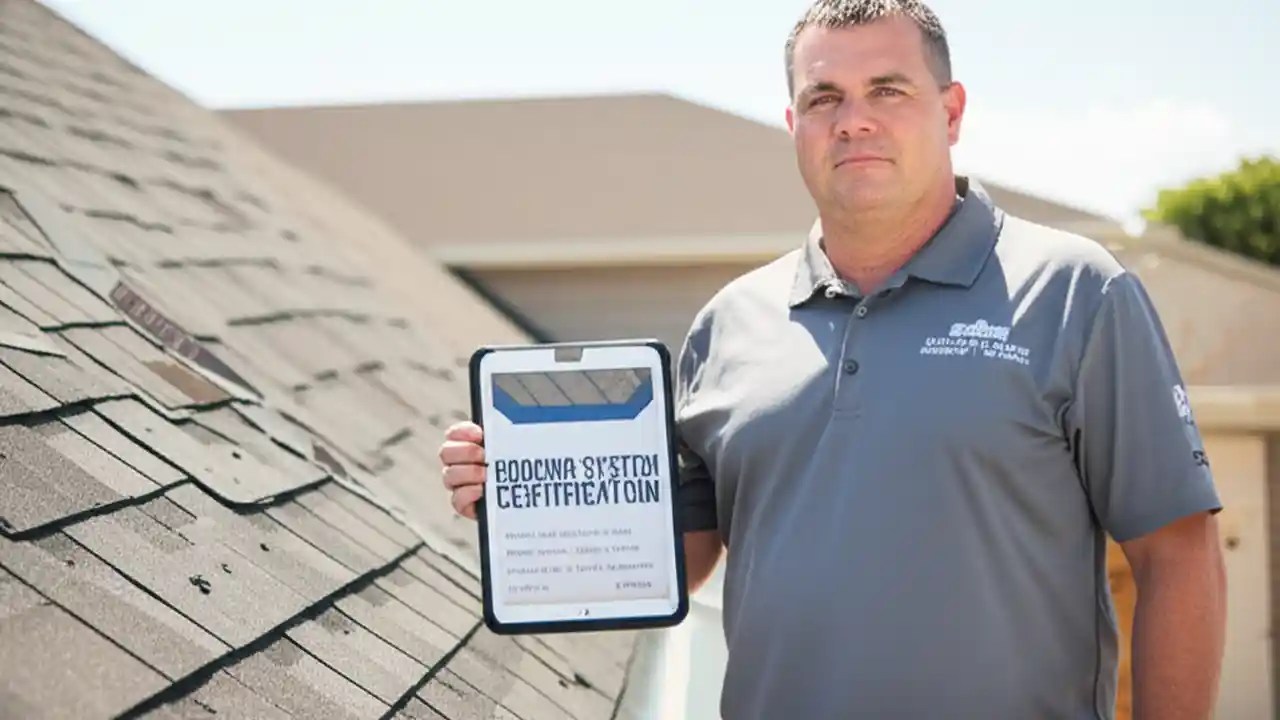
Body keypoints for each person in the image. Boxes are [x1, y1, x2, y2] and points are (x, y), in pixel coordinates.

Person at [439, 1, 1229, 717]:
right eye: (825, 98)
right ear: (794, 123)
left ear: (951, 113)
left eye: (888, 90)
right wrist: (523, 494)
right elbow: (677, 561)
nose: (854, 120)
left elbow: (1178, 555)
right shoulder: (730, 325)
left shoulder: (1075, 292)